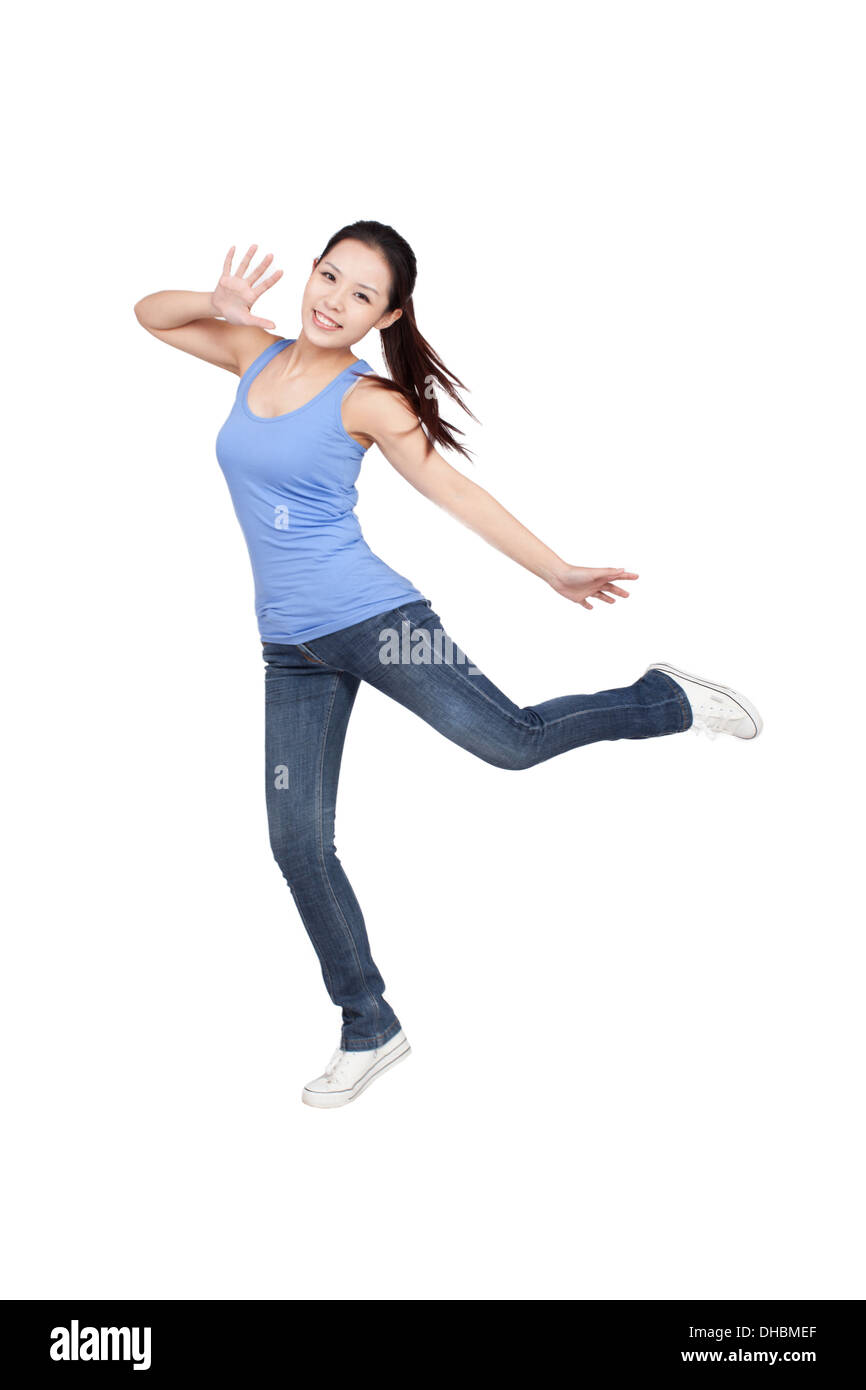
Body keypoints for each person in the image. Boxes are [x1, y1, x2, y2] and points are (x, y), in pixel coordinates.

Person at [133, 221, 762, 1110]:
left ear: (384, 316)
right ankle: (369, 1025)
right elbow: (149, 315)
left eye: (360, 295)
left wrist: (555, 569)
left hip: (380, 620)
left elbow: (455, 492)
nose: (333, 300)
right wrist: (216, 302)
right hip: (291, 648)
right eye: (328, 276)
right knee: (296, 840)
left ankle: (665, 701)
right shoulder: (253, 353)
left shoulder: (369, 399)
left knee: (509, 741)